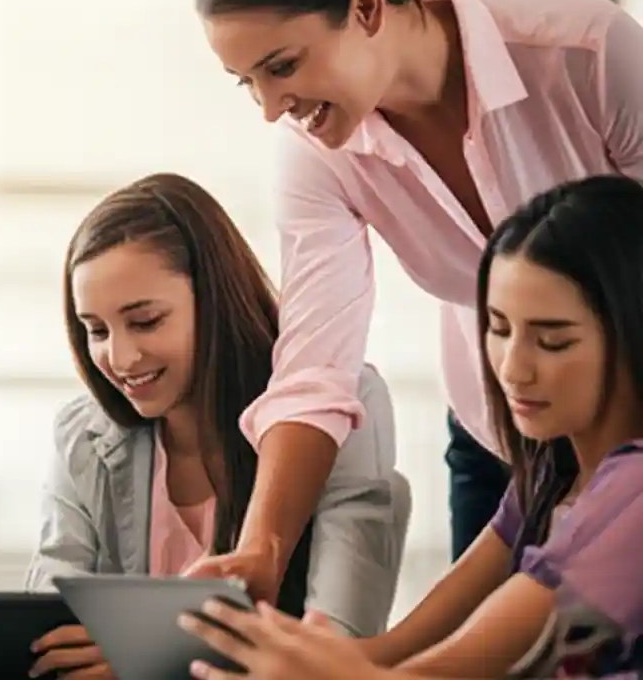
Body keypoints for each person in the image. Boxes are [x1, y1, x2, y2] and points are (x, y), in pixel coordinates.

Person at [186, 0, 643, 605]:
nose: (269, 109)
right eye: (247, 83)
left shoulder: (583, 51)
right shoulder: (315, 152)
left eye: (282, 66)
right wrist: (263, 547)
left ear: (367, 6)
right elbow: (315, 368)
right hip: (507, 443)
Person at [180, 175, 643, 678]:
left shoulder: (633, 486)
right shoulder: (549, 474)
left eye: (552, 341)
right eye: (498, 328)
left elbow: (434, 674)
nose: (512, 369)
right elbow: (396, 654)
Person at [26, 173, 410, 678]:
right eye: (96, 330)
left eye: (145, 321)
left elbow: (338, 639)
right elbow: (50, 629)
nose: (119, 358)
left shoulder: (342, 404)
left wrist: (148, 655)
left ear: (215, 299)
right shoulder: (82, 435)